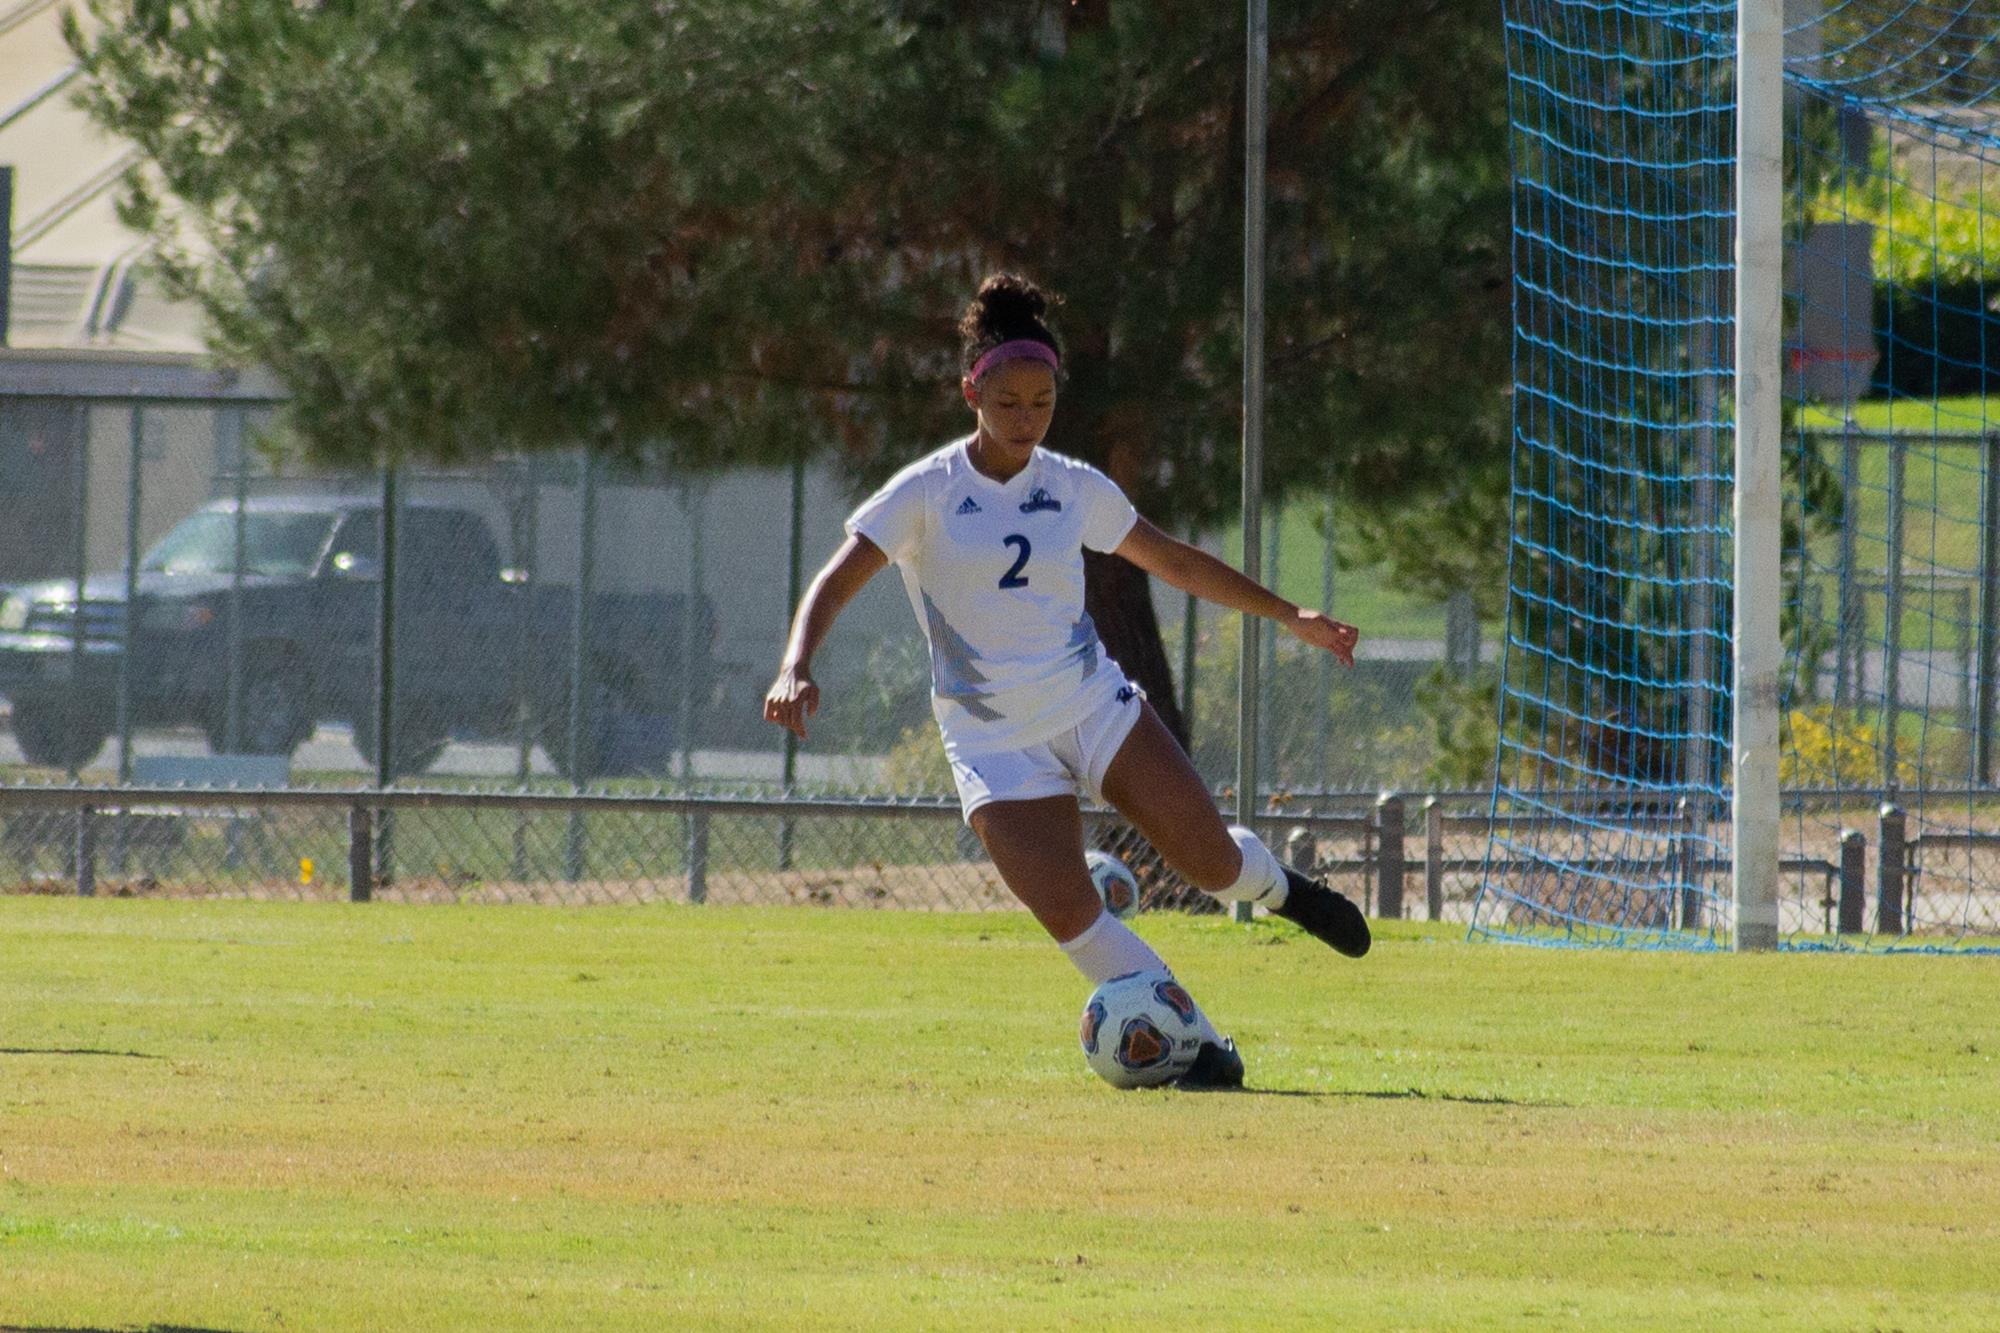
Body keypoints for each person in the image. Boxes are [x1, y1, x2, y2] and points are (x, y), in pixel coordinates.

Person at [764, 273, 1370, 1090]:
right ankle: (1198, 1041)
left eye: (1041, 401)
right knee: (1073, 917)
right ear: (970, 390)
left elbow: (1173, 559)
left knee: (1209, 865)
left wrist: (1288, 612)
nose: (1025, 418)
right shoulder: (927, 493)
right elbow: (835, 581)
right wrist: (796, 663)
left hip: (1092, 706)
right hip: (991, 741)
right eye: (1008, 401)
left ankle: (1280, 889)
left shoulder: (1073, 486)